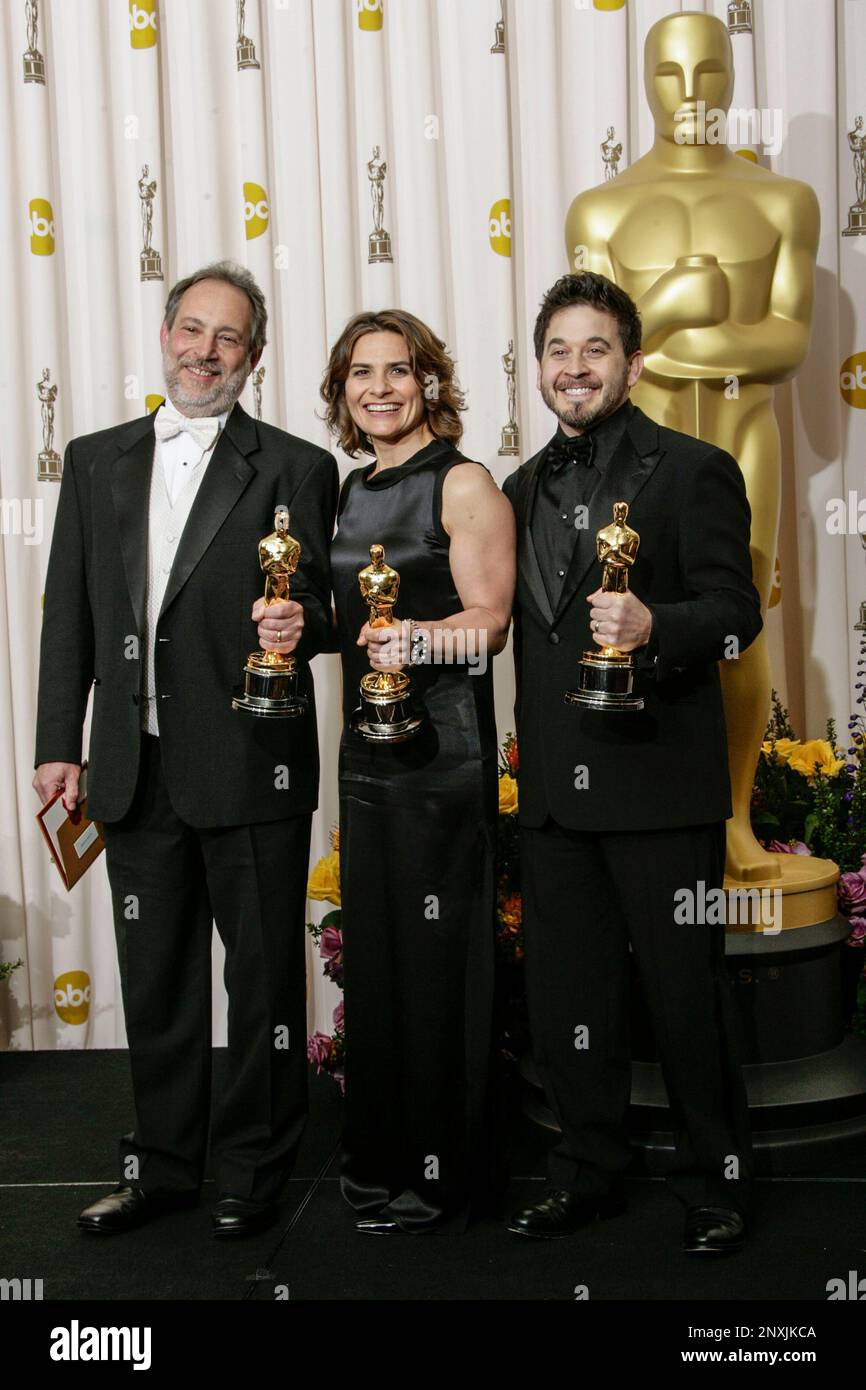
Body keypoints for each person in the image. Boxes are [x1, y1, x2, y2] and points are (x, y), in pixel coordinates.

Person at [33, 261, 338, 1239]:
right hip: (130, 762)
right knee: (156, 982)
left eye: (229, 337)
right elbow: (69, 617)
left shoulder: (296, 465)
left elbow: (329, 606)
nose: (206, 350)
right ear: (165, 333)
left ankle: (252, 1169)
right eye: (192, 329)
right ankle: (162, 1166)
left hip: (251, 760)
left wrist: (303, 622)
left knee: (259, 985)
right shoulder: (93, 460)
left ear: (253, 355)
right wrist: (56, 744)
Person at [503, 272, 761, 1255]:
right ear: (537, 370)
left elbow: (735, 615)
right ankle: (586, 1172)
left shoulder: (691, 467)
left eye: (594, 348)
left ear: (631, 362)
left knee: (683, 1000)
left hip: (657, 789)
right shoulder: (515, 488)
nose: (574, 367)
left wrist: (656, 626)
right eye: (558, 351)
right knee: (569, 1006)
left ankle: (716, 1183)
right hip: (555, 805)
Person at [259, 309, 515, 1232]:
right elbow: (343, 623)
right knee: (379, 961)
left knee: (439, 967)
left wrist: (414, 637)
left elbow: (490, 622)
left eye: (397, 371)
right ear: (341, 393)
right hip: (364, 753)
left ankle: (447, 1180)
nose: (378, 388)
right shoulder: (348, 489)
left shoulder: (466, 483)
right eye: (360, 374)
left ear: (429, 382)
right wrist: (300, 628)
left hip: (443, 753)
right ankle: (382, 1163)